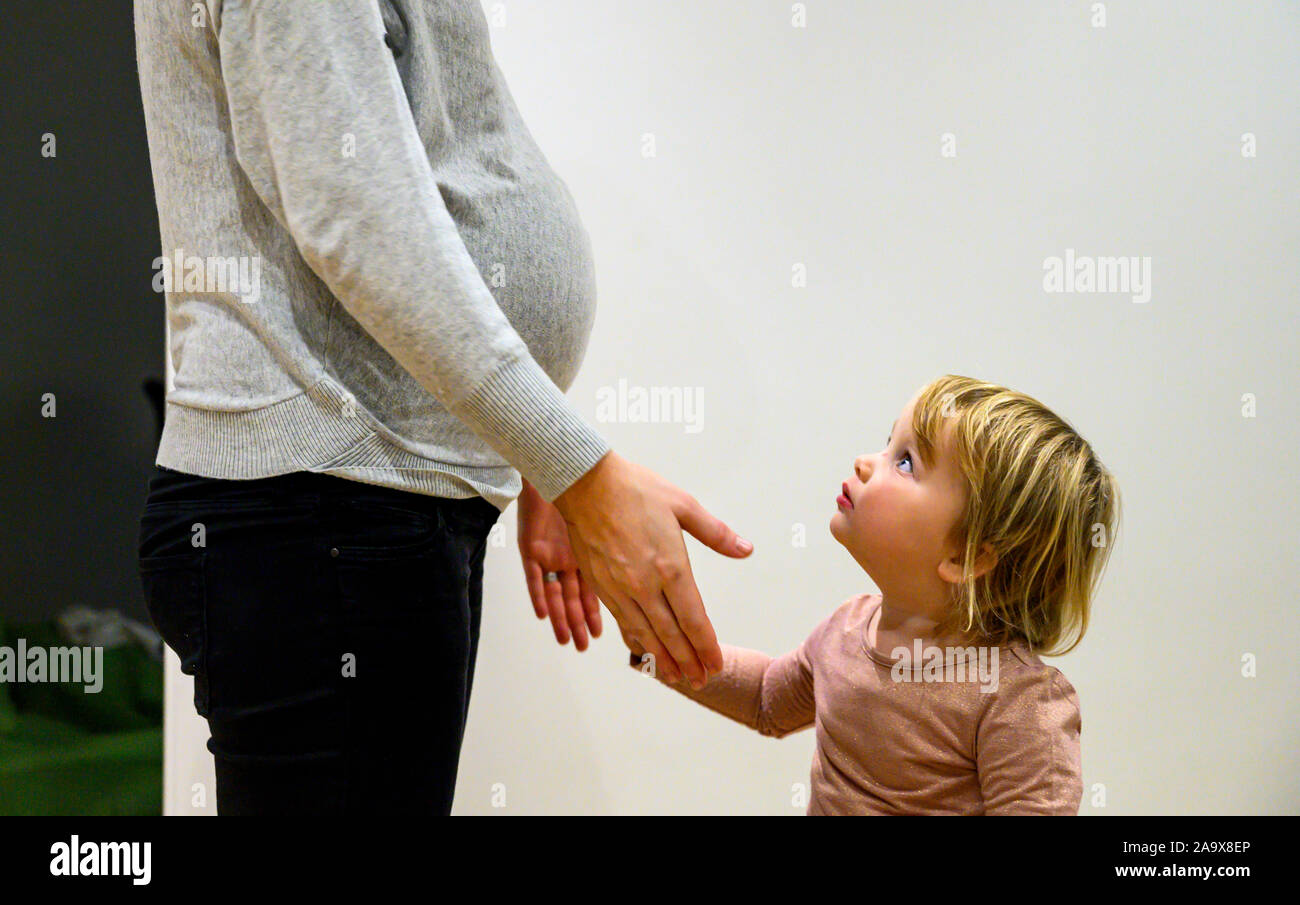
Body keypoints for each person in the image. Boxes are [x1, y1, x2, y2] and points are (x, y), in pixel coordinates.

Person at [133, 0, 751, 815]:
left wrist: (526, 449)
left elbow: (419, 162)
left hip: (361, 498)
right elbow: (354, 212)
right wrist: (575, 470)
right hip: (324, 502)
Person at [626, 375, 1122, 815]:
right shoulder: (846, 629)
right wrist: (657, 642)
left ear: (967, 558)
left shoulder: (1015, 701)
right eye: (889, 445)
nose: (866, 462)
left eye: (905, 463)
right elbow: (766, 699)